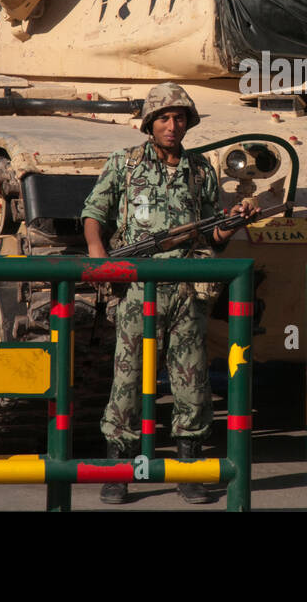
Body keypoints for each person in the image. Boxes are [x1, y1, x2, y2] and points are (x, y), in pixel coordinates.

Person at [82, 82, 257, 505]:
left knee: (191, 381)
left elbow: (213, 235)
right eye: (164, 117)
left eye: (179, 118)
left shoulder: (199, 170)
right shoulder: (124, 164)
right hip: (138, 286)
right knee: (127, 379)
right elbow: (94, 212)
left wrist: (233, 220)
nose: (172, 125)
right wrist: (98, 255)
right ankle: (119, 471)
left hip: (188, 288)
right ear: (149, 123)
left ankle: (189, 469)